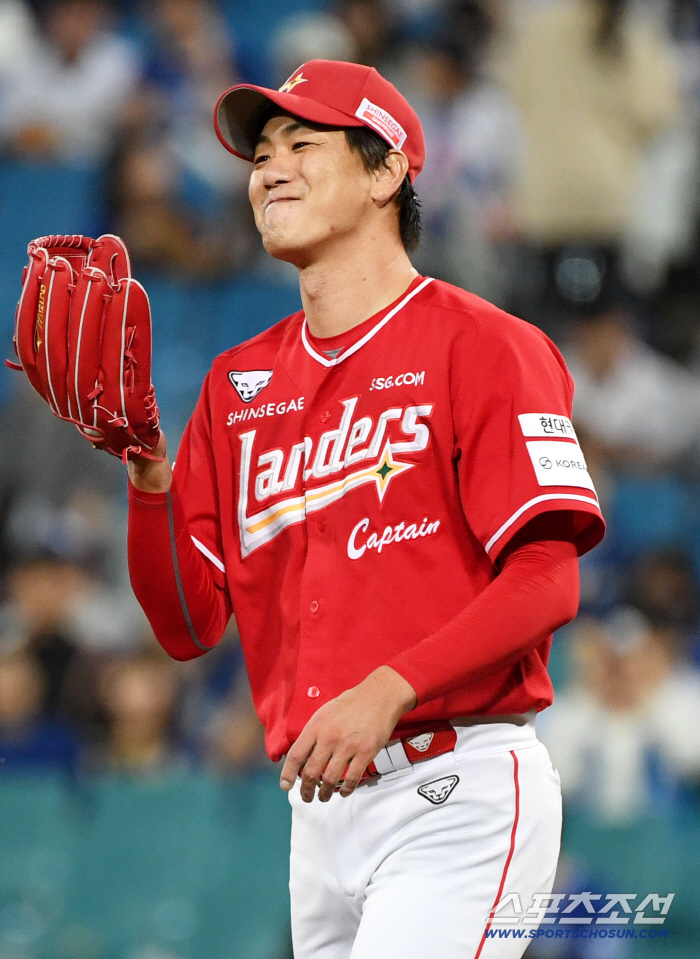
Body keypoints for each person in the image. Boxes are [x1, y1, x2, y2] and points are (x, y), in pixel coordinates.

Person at [127, 61, 605, 957]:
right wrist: (149, 483)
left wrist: (390, 688)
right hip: (321, 815)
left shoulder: (489, 345)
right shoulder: (238, 385)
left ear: (386, 172)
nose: (269, 170)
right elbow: (188, 624)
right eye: (260, 153)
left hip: (455, 785)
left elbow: (548, 579)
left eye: (302, 144)